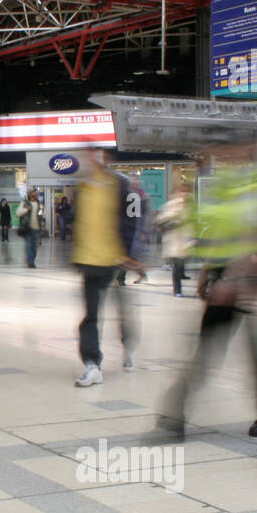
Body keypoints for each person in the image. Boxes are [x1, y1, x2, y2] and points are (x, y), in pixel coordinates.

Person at [155, 136, 257, 441]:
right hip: (224, 276)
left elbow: (256, 235)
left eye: (226, 148)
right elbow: (219, 234)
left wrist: (234, 278)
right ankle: (178, 415)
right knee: (214, 347)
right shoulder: (219, 185)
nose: (219, 155)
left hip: (246, 275)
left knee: (239, 349)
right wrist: (209, 271)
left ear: (245, 149)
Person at [72, 149, 144, 387]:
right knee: (91, 315)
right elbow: (79, 223)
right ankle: (93, 364)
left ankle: (129, 346)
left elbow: (132, 220)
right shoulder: (83, 187)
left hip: (115, 259)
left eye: (95, 156)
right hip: (89, 260)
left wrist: (131, 255)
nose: (90, 161)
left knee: (121, 308)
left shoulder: (120, 185)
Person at [156, 184, 192, 296]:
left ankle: (179, 284)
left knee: (180, 264)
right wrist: (172, 221)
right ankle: (177, 290)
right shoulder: (171, 205)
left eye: (186, 192)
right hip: (174, 241)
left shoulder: (190, 206)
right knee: (176, 266)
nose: (184, 194)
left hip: (185, 240)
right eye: (182, 191)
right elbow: (161, 219)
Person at [16, 188, 40, 268]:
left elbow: (39, 215)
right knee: (29, 245)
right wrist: (26, 209)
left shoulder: (38, 203)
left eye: (36, 192)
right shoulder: (25, 203)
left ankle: (31, 259)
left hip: (36, 229)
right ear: (30, 194)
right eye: (34, 192)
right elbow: (18, 213)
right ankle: (31, 262)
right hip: (27, 228)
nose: (36, 194)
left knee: (35, 247)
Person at [0, 198, 12, 262]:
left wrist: (10, 220)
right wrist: (2, 206)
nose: (5, 202)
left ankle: (7, 238)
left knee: (7, 229)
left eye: (6, 201)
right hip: (2, 219)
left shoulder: (8, 206)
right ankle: (3, 238)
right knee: (2, 229)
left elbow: (9, 213)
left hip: (7, 219)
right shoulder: (1, 206)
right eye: (4, 201)